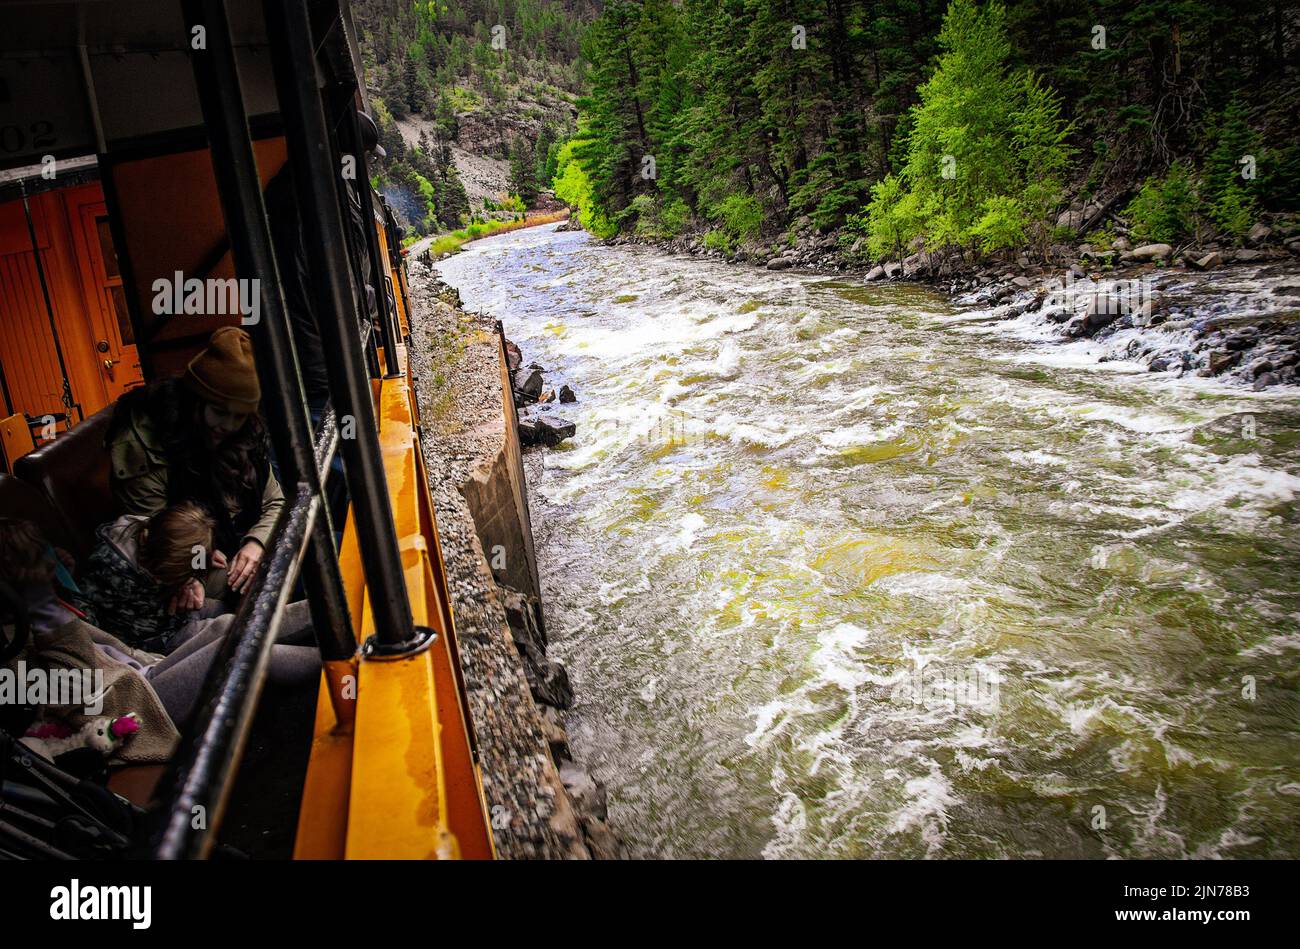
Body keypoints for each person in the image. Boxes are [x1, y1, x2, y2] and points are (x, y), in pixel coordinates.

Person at [0, 518, 319, 737]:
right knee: (240, 652)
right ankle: (347, 659)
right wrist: (46, 612)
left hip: (141, 674)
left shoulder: (40, 618)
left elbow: (113, 648)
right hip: (130, 708)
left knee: (222, 626)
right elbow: (81, 696)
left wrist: (146, 658)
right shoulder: (14, 647)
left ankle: (333, 610)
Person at [106, 326, 282, 604]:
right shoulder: (146, 446)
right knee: (280, 585)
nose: (228, 426)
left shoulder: (245, 434)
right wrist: (197, 563)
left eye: (239, 416)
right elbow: (157, 544)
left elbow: (275, 502)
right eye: (220, 412)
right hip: (191, 566)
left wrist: (257, 542)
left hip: (242, 543)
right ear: (196, 401)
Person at [71, 501, 231, 654]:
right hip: (153, 639)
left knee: (225, 608)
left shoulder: (157, 532)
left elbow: (196, 561)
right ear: (163, 568)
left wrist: (196, 576)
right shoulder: (108, 568)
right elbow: (86, 610)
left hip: (173, 615)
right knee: (225, 629)